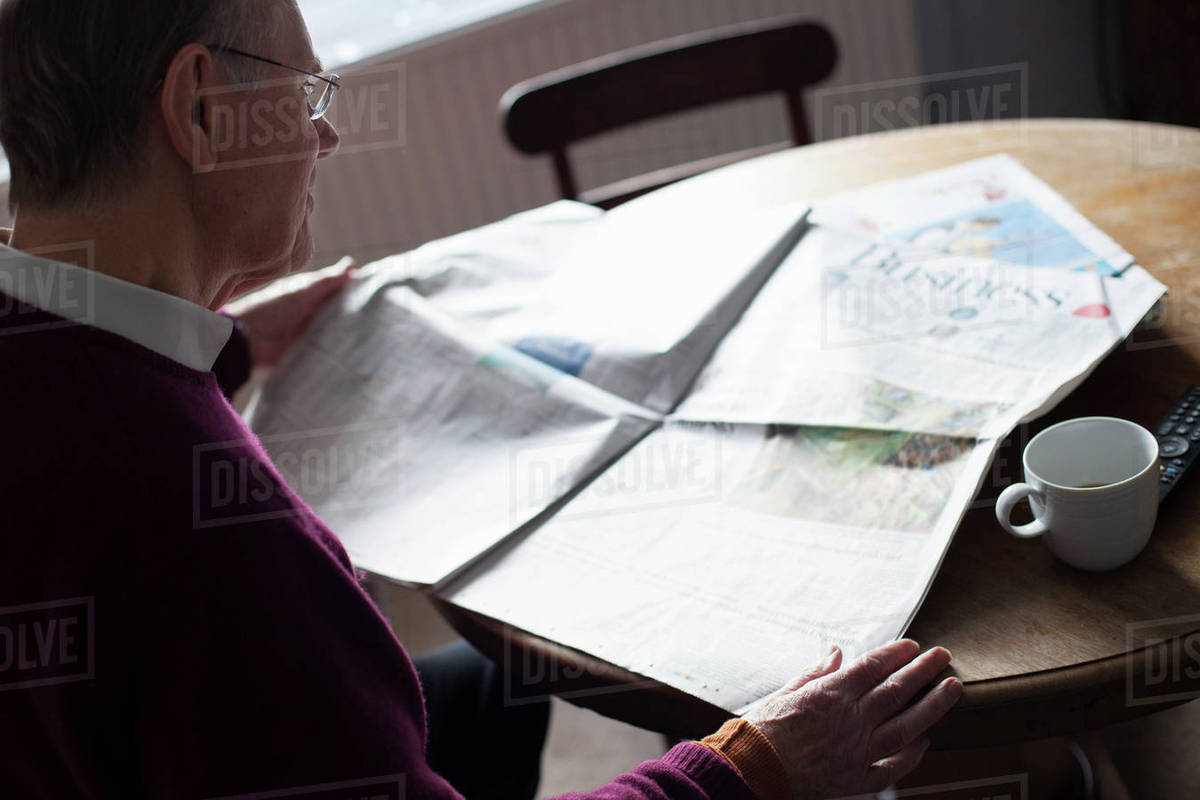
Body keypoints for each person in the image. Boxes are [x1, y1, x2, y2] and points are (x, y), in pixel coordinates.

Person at [0, 1, 963, 798]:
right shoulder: (226, 556)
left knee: (506, 683)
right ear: (201, 110)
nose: (325, 132)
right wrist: (751, 769)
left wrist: (240, 339)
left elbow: (80, 430)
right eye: (305, 91)